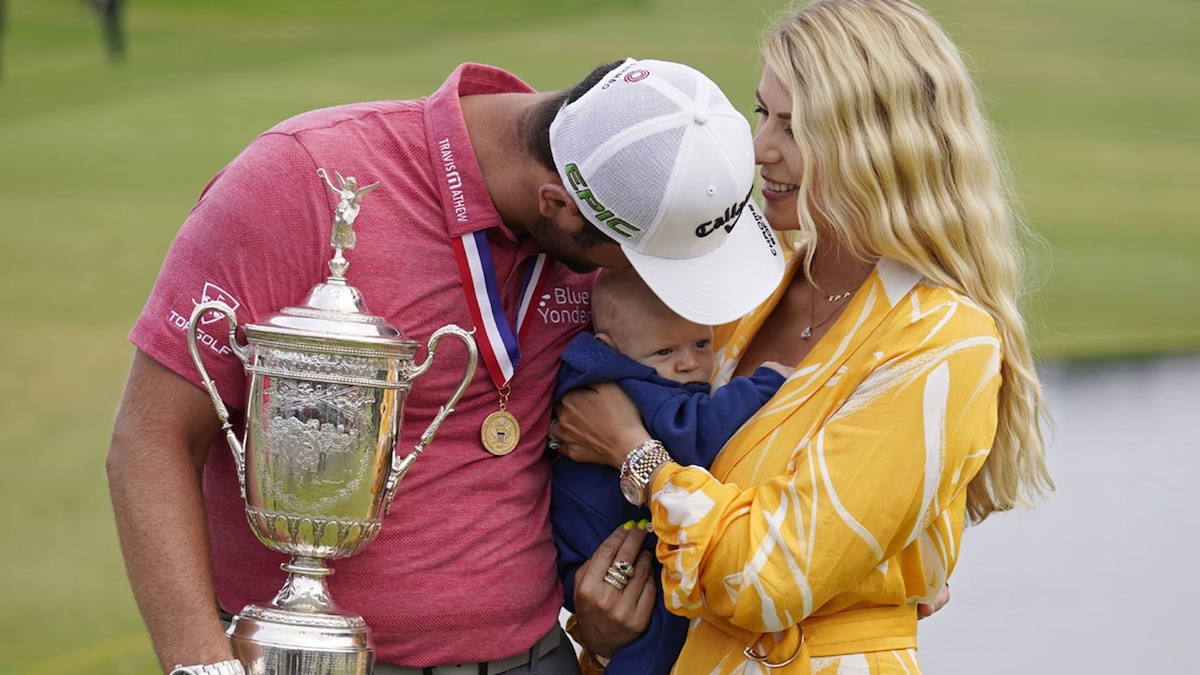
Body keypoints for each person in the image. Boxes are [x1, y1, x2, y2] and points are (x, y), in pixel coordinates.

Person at [105, 58, 786, 675]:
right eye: (642, 263)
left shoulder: (624, 190)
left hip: (540, 656)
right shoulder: (302, 179)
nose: (655, 286)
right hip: (316, 660)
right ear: (559, 206)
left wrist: (594, 630)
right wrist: (201, 666)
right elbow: (151, 437)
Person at [553, 1, 1055, 672]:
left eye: (795, 126)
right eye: (763, 112)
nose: (760, 146)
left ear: (879, 144)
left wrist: (632, 452)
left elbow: (767, 577)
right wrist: (602, 627)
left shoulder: (944, 342)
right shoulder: (742, 293)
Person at [550, 267, 792, 674]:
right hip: (612, 545)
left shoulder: (605, 372)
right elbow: (695, 435)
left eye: (701, 343)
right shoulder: (640, 387)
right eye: (665, 352)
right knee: (661, 632)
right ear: (610, 347)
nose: (688, 364)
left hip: (583, 549)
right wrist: (766, 384)